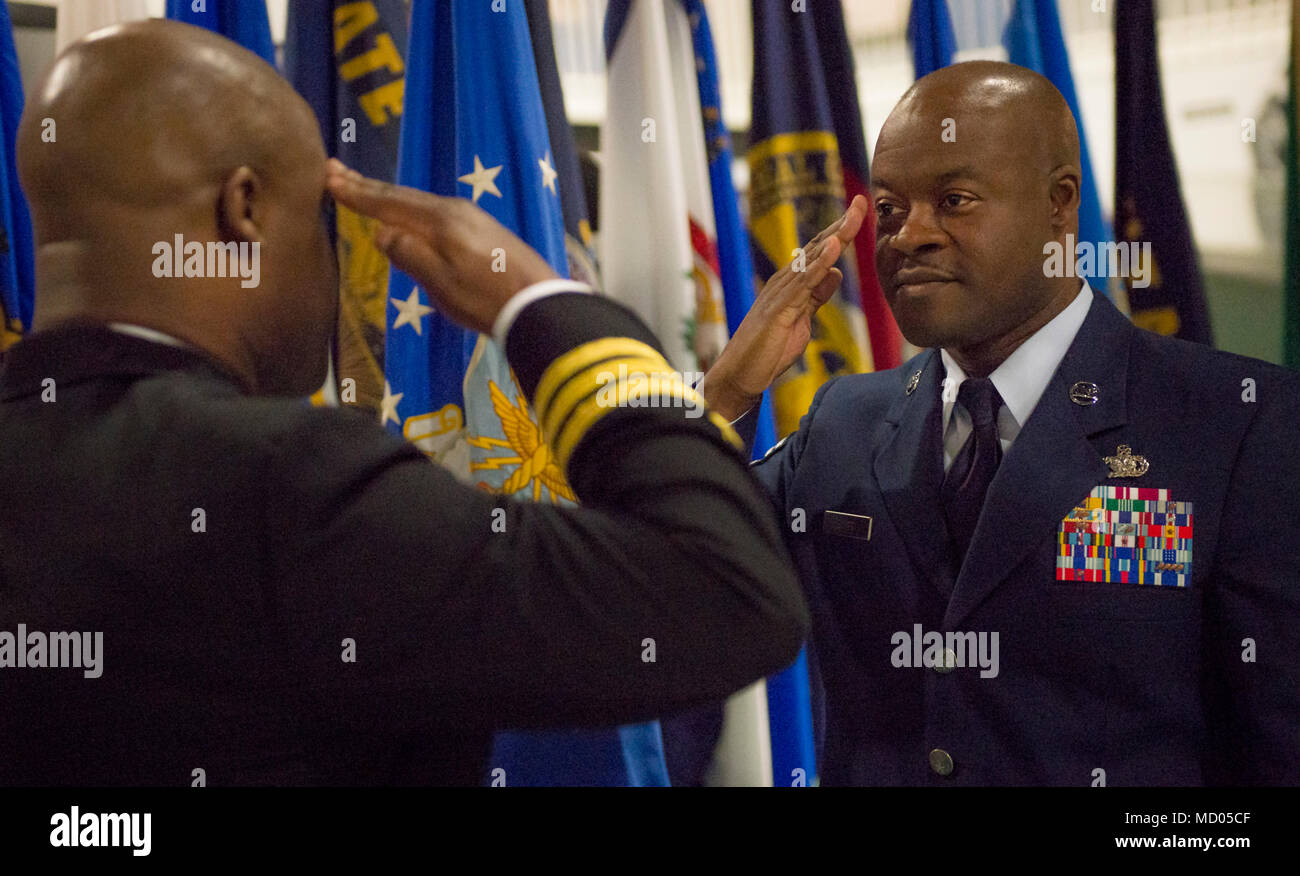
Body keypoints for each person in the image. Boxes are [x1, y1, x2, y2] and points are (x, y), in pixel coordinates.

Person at [0, 20, 820, 785]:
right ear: (242, 210)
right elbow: (726, 595)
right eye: (320, 217)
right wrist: (537, 301)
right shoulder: (286, 483)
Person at [701, 60, 1300, 785]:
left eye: (954, 200)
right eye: (887, 209)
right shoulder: (843, 424)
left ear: (1059, 205)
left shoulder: (1236, 424)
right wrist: (728, 390)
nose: (907, 236)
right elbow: (670, 575)